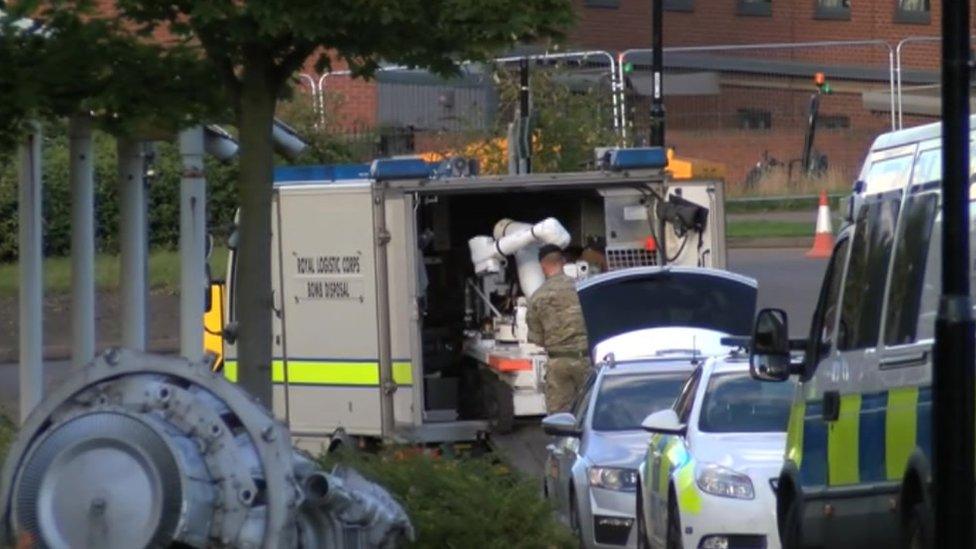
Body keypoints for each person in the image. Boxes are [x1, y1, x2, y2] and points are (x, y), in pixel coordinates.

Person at [526, 244, 591, 413]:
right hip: (585, 359)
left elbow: (537, 339)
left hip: (557, 363)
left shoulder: (537, 297)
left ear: (542, 266)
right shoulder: (583, 288)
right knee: (590, 409)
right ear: (563, 261)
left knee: (559, 416)